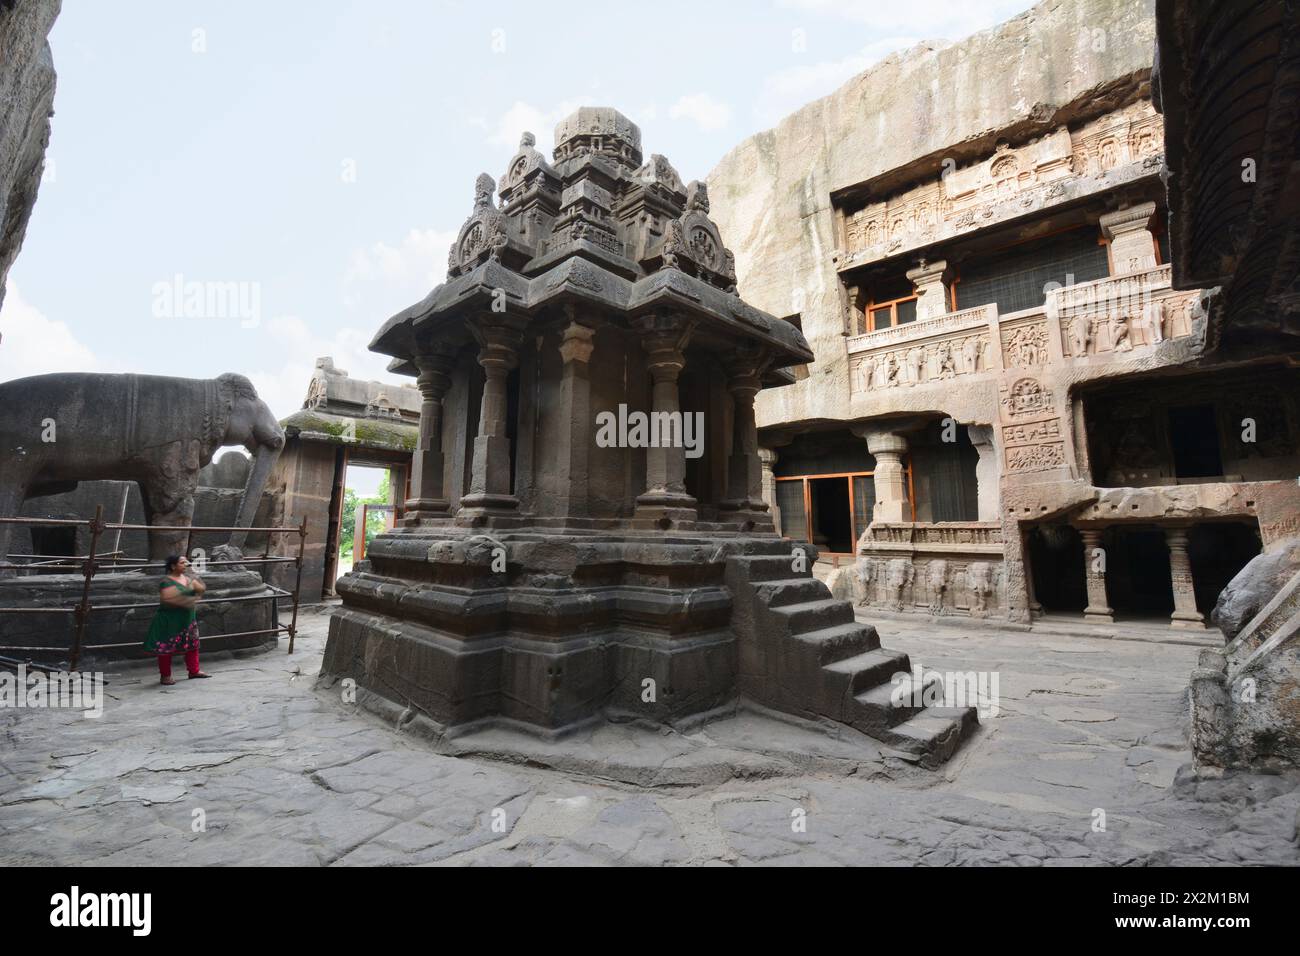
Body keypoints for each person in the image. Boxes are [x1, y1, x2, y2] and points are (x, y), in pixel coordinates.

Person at [143, 554, 211, 685]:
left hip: (187, 619)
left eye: (187, 562)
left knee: (192, 645)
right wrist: (191, 599)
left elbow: (201, 588)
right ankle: (165, 676)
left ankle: (194, 671)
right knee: (165, 649)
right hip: (170, 621)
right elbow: (169, 599)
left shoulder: (188, 579)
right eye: (182, 563)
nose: (186, 564)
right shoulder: (166, 582)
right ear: (173, 566)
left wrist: (194, 577)